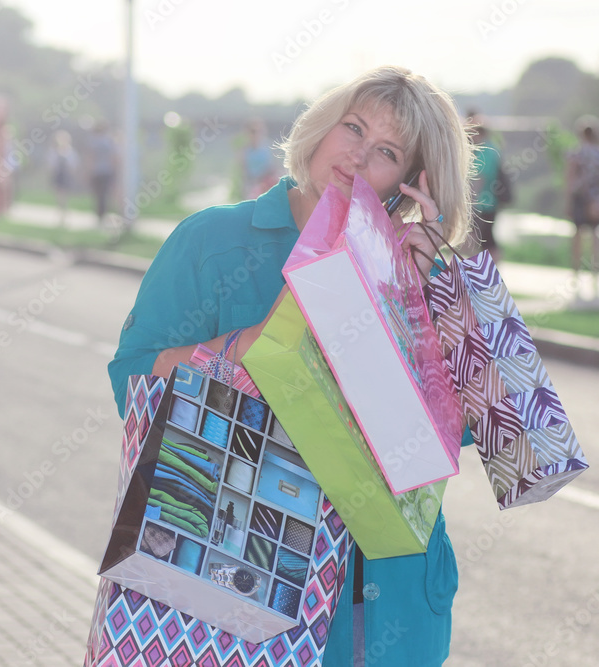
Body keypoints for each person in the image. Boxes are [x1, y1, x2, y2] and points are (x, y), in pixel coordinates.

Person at [108, 66, 473, 666]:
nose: (357, 154)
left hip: (389, 601)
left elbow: (442, 446)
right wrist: (246, 345)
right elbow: (133, 382)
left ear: (410, 183)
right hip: (242, 585)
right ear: (321, 126)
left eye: (386, 151)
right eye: (352, 127)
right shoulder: (212, 240)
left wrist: (417, 304)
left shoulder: (420, 277)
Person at [565, 114, 599, 295]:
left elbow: (570, 179)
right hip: (595, 200)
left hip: (580, 199)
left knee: (577, 237)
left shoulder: (576, 152)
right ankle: (594, 273)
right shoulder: (597, 153)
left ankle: (576, 273)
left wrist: (568, 202)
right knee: (594, 237)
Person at [468, 113, 504, 262]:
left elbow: (480, 178)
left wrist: (471, 201)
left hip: (483, 203)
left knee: (483, 240)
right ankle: (489, 270)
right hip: (490, 201)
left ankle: (490, 270)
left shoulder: (484, 151)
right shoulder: (492, 148)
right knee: (486, 239)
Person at [86, 121, 118, 226]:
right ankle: (103, 214)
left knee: (98, 194)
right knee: (104, 194)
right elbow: (113, 157)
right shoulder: (109, 142)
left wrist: (88, 171)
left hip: (97, 171)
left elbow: (91, 157)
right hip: (107, 171)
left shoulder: (93, 141)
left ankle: (100, 215)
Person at [240, 120, 280, 200]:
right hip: (252, 183)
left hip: (266, 182)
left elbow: (274, 167)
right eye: (252, 132)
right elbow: (244, 169)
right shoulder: (246, 150)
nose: (254, 135)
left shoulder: (268, 147)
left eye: (256, 132)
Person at [47, 130, 78, 228]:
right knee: (59, 194)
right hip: (58, 175)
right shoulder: (54, 151)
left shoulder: (70, 151)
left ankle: (63, 212)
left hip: (66, 175)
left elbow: (73, 165)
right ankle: (61, 211)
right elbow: (51, 165)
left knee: (64, 194)